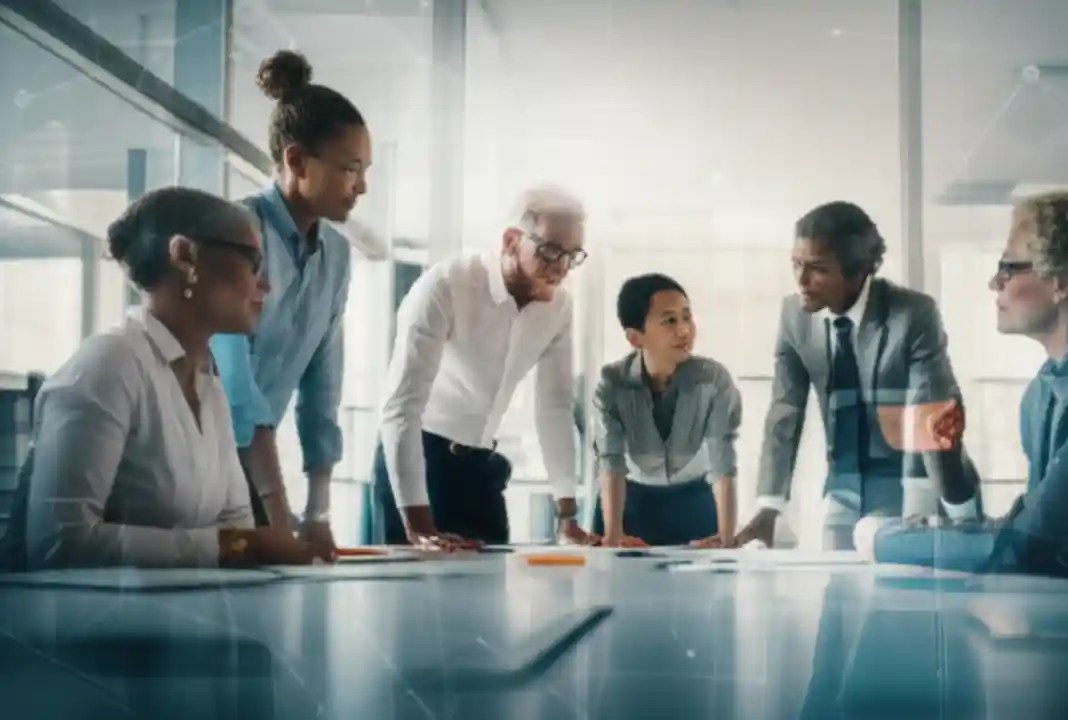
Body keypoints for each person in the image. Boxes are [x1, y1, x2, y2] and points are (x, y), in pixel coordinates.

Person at [869, 190, 1068, 588]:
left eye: (1008, 268)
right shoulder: (1048, 386)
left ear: (1061, 281)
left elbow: (1035, 547)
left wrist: (886, 541)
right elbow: (1027, 527)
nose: (993, 283)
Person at [9, 188, 327, 569]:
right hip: (76, 624)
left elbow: (236, 526)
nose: (265, 284)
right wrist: (236, 547)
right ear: (185, 256)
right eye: (252, 261)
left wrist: (250, 544)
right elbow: (59, 543)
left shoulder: (208, 380)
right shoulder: (108, 366)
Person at [735, 201, 977, 550]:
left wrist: (962, 517)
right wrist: (769, 506)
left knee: (905, 592)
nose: (801, 280)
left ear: (860, 270)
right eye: (796, 264)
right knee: (839, 594)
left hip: (913, 480)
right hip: (843, 486)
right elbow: (784, 411)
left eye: (817, 268)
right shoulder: (794, 315)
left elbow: (933, 414)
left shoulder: (912, 313)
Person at [209, 50, 371, 557]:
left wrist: (317, 512)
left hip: (257, 474)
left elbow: (323, 387)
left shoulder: (338, 256)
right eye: (350, 169)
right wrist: (279, 517)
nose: (361, 187)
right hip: (201, 462)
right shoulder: (236, 231)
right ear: (297, 161)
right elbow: (236, 390)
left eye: (364, 170)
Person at [374, 185, 592, 548]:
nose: (562, 269)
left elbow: (554, 406)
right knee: (410, 598)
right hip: (417, 465)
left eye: (572, 255)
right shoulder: (446, 284)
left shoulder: (559, 308)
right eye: (551, 251)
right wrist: (420, 528)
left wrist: (566, 516)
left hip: (480, 470)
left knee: (489, 597)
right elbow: (401, 410)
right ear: (510, 241)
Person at [589, 274, 742, 548]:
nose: (685, 330)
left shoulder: (713, 379)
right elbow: (610, 459)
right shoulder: (612, 382)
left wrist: (727, 537)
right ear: (635, 337)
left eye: (687, 317)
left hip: (694, 504)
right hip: (629, 505)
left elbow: (723, 458)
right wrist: (613, 536)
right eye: (670, 320)